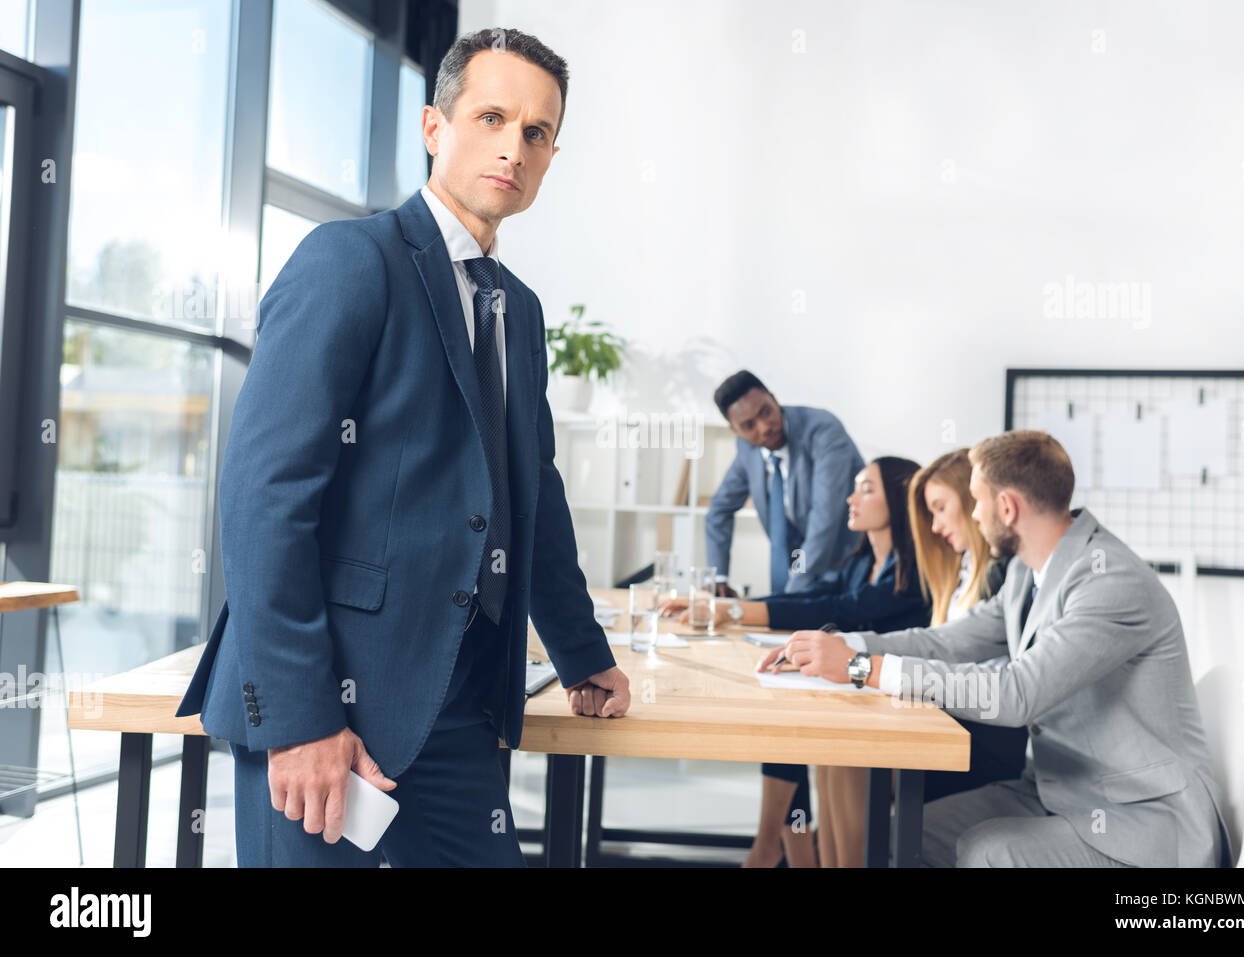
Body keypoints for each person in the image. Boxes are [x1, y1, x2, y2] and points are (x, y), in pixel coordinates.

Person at [175, 28, 631, 867]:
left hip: (455, 705)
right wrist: (301, 718)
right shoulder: (350, 262)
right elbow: (263, 497)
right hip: (327, 705)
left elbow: (532, 493)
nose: (514, 147)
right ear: (433, 126)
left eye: (536, 132)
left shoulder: (520, 310)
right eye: (492, 117)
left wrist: (582, 651)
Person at [759, 430, 1232, 867]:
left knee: (988, 852)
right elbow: (947, 642)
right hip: (1055, 792)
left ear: (1006, 507)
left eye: (977, 500)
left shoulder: (1110, 582)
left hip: (1142, 823)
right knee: (902, 833)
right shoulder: (1027, 572)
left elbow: (1016, 692)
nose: (973, 515)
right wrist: (840, 647)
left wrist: (863, 668)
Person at [667, 457, 930, 866]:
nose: (851, 498)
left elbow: (840, 608)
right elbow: (812, 597)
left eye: (866, 489)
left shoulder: (912, 576)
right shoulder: (861, 562)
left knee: (817, 742)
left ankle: (774, 848)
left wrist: (733, 611)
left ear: (899, 500)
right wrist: (732, 607)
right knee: (789, 722)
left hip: (894, 712)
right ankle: (786, 850)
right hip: (856, 696)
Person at [906, 449, 1027, 804]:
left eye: (941, 508)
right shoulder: (963, 573)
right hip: (956, 726)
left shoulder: (1004, 576)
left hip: (984, 740)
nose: (935, 526)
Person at [705, 371, 864, 596]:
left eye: (765, 412)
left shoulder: (823, 430)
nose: (764, 428)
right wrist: (718, 578)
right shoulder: (747, 448)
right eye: (749, 425)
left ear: (774, 398)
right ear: (736, 431)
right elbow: (719, 510)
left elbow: (824, 518)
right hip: (801, 566)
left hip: (848, 565)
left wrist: (789, 596)